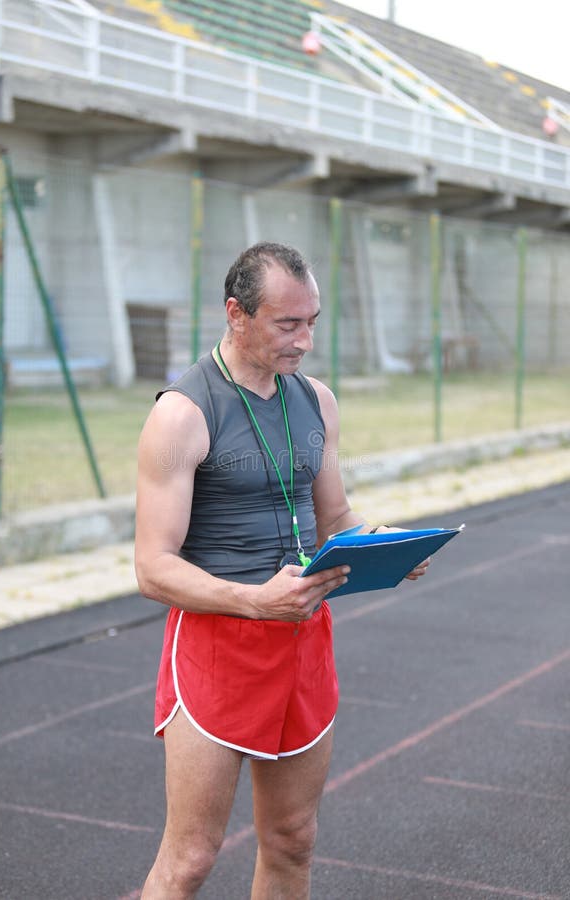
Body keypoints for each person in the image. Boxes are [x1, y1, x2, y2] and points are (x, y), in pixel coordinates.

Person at [135, 242, 429, 899]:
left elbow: (337, 522)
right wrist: (252, 601)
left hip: (302, 640)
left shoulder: (316, 400)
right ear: (236, 314)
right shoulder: (181, 413)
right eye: (286, 324)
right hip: (217, 644)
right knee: (190, 860)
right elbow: (152, 568)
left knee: (294, 841)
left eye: (313, 322)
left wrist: (388, 546)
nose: (304, 341)